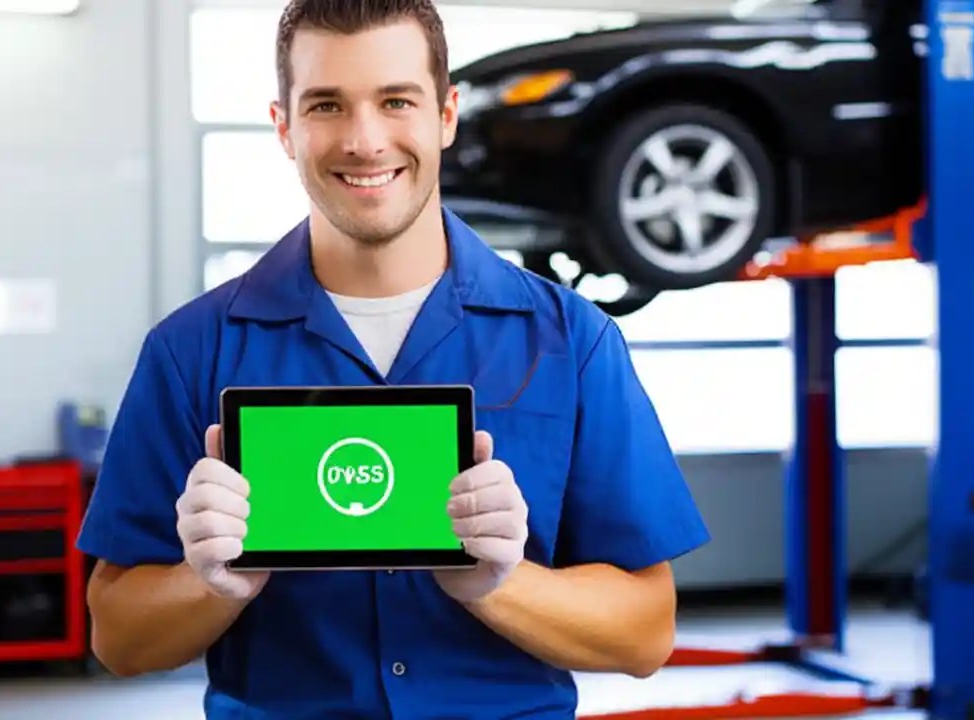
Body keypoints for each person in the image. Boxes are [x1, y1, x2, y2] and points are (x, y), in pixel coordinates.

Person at [77, 0, 711, 717]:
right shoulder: (191, 351)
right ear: (284, 127)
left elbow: (646, 633)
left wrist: (498, 583)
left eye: (395, 101)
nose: (364, 139)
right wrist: (211, 581)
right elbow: (119, 639)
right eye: (326, 105)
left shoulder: (570, 342)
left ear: (446, 115)